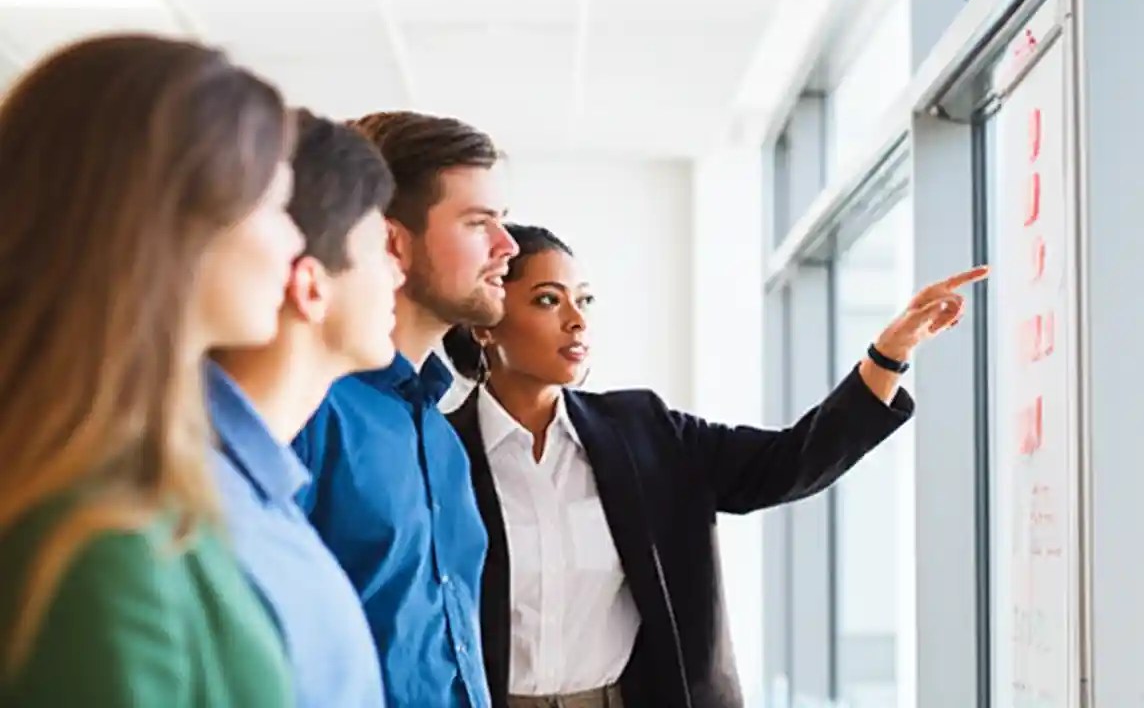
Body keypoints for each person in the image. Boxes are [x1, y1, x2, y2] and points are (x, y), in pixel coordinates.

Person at [442, 224, 989, 708]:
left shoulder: (643, 430)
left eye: (583, 300)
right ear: (484, 324)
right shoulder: (438, 451)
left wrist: (888, 354)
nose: (577, 321)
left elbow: (789, 462)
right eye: (547, 301)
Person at [0, 35, 302, 706]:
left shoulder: (138, 489)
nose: (296, 240)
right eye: (277, 205)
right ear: (179, 220)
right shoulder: (92, 543)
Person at [293, 111, 518, 708]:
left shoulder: (440, 434)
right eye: (479, 224)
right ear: (392, 241)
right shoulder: (310, 412)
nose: (508, 248)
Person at [206, 110, 402, 708]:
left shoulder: (265, 495)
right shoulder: (195, 512)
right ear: (311, 285)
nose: (397, 271)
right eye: (379, 247)